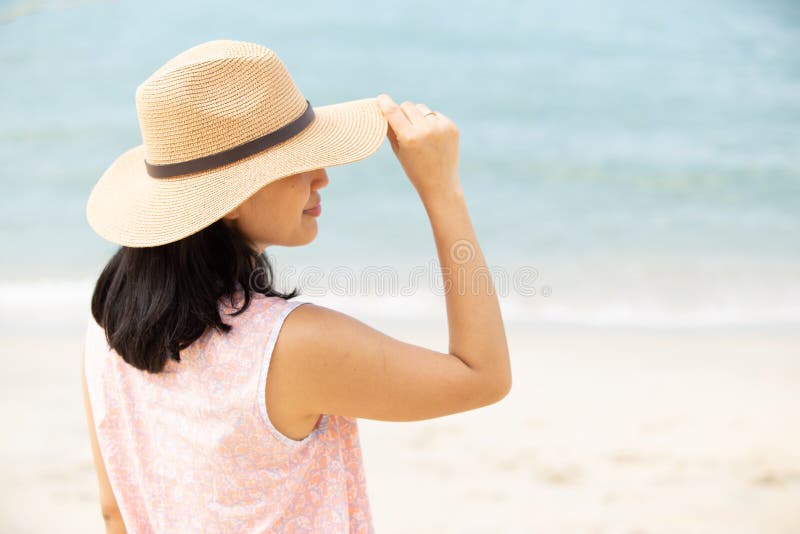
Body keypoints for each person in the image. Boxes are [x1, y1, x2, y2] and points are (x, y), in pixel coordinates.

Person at [82, 40, 511, 533]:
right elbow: (484, 375)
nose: (322, 177)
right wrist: (443, 192)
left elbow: (115, 511)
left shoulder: (108, 330)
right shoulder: (288, 346)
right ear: (230, 199)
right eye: (295, 161)